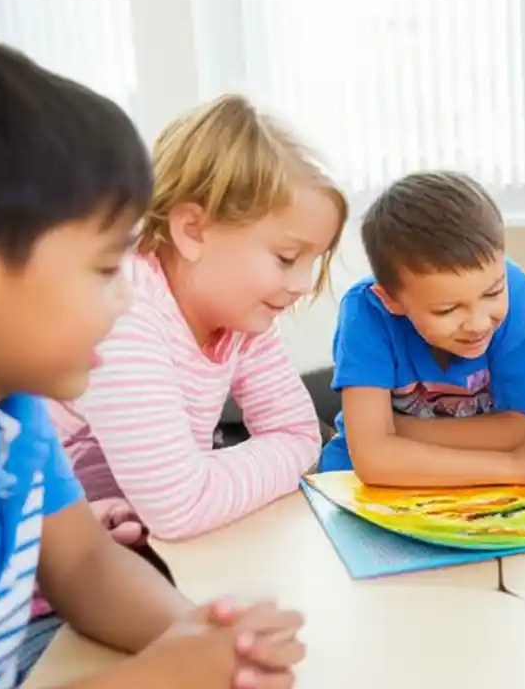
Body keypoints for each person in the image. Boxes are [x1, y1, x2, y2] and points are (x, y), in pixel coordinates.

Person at [0, 38, 304, 688]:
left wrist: (201, 636)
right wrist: (160, 676)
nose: (125, 300)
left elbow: (84, 566)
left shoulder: (14, 419)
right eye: (101, 270)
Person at [52, 94, 347, 540]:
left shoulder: (243, 319)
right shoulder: (125, 309)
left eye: (312, 261)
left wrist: (199, 478)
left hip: (117, 549)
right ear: (192, 231)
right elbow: (179, 506)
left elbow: (302, 436)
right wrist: (193, 485)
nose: (304, 283)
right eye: (287, 258)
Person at [317, 171, 525, 486]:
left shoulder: (518, 297)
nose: (478, 323)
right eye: (447, 309)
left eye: (492, 292)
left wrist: (393, 431)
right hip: (363, 486)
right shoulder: (366, 311)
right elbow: (372, 460)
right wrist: (512, 464)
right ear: (391, 300)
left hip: (487, 488)